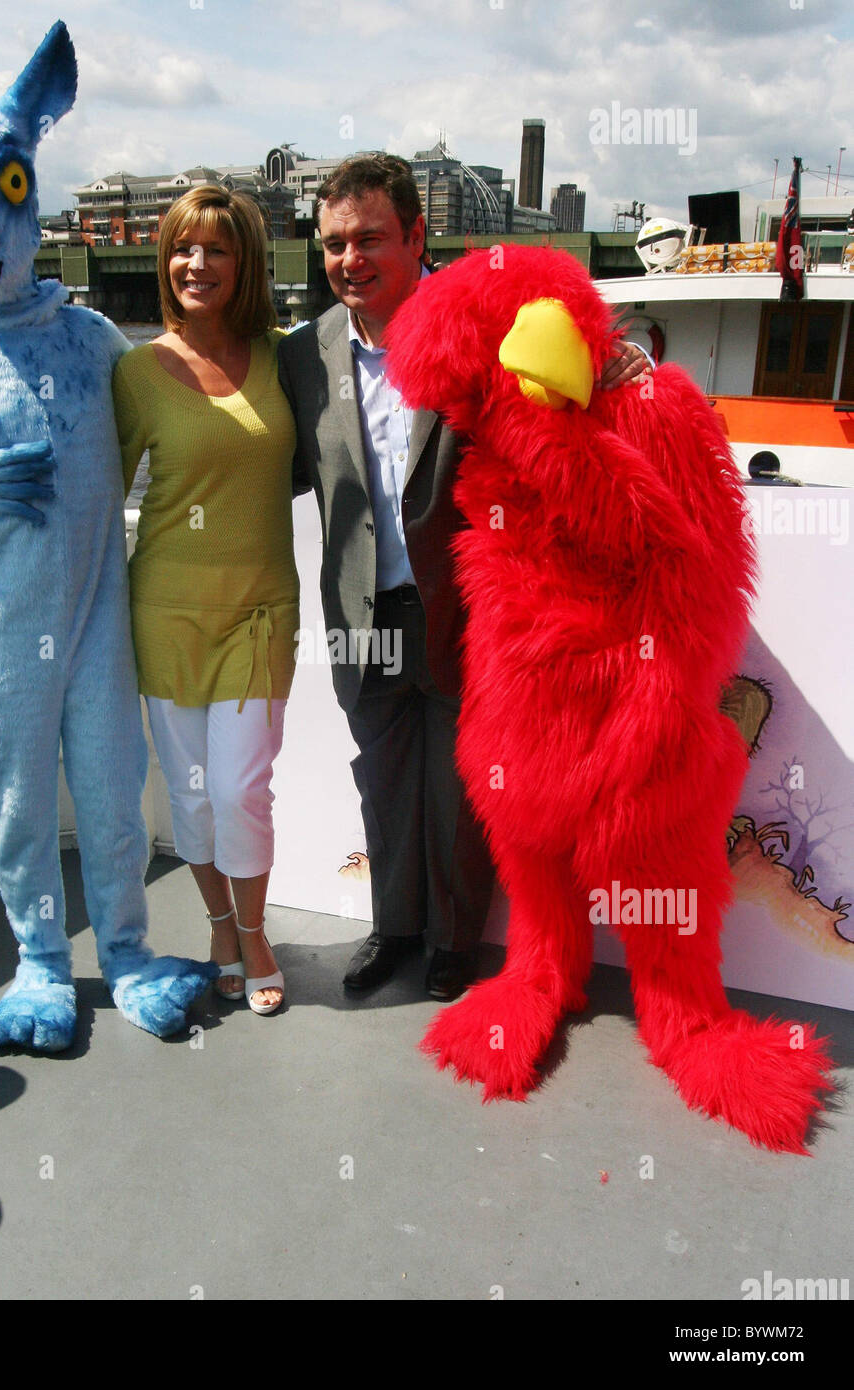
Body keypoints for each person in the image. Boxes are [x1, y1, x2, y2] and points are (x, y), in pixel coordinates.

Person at [278, 154, 650, 1002]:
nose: (349, 260)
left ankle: (451, 942)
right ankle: (394, 930)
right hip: (360, 613)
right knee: (382, 782)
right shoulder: (306, 354)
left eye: (370, 238)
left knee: (460, 787)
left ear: (416, 236)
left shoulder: (484, 324)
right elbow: (267, 467)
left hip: (468, 609)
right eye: (334, 243)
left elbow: (568, 369)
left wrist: (617, 365)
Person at [0, 185, 297, 1015]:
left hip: (261, 611)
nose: (195, 264)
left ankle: (255, 935)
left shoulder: (287, 353)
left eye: (215, 248)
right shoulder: (137, 371)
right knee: (190, 793)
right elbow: (74, 471)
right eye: (181, 248)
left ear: (243, 261)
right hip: (168, 607)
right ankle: (218, 926)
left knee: (244, 785)